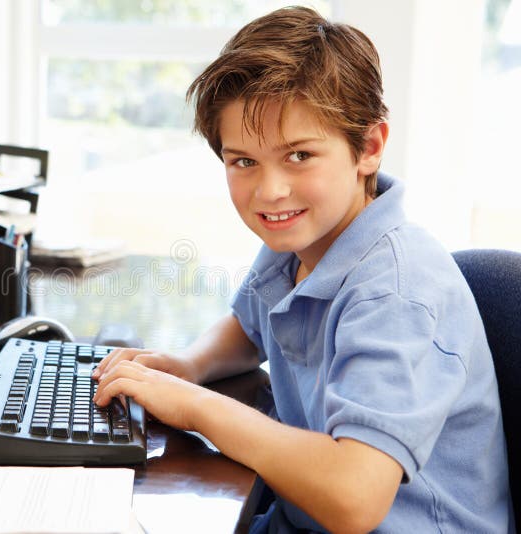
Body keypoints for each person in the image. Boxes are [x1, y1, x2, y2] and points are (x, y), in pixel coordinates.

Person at [92, 6, 512, 533]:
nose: (270, 192)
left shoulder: (396, 294)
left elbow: (354, 499)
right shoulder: (300, 238)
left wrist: (195, 406)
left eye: (298, 156)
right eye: (244, 161)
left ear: (369, 147)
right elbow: (251, 328)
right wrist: (190, 365)